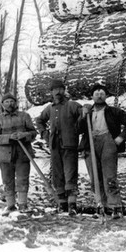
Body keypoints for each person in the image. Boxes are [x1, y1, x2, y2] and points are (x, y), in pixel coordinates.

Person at [78, 83, 126, 219]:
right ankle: (101, 206)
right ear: (92, 96)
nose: (99, 96)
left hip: (108, 143)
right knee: (95, 178)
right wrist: (83, 116)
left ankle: (115, 207)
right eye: (96, 93)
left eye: (102, 93)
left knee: (109, 177)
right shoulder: (88, 112)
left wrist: (120, 138)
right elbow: (78, 129)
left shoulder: (114, 111)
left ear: (106, 96)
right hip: (90, 144)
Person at [35, 79, 83, 215]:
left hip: (70, 146)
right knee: (58, 176)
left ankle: (72, 205)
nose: (58, 92)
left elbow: (83, 114)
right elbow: (39, 120)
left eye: (60, 89)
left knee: (70, 174)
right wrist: (45, 134)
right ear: (51, 92)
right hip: (55, 146)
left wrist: (76, 128)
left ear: (64, 90)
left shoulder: (71, 105)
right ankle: (62, 205)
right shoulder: (49, 109)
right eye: (55, 90)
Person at [0, 92, 37, 214]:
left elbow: (33, 133)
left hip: (23, 153)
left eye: (12, 101)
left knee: (22, 179)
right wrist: (8, 138)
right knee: (7, 180)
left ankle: (22, 204)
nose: (9, 104)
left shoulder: (24, 116)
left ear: (15, 103)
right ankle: (10, 205)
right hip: (5, 155)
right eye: (6, 102)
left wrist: (24, 135)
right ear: (2, 105)